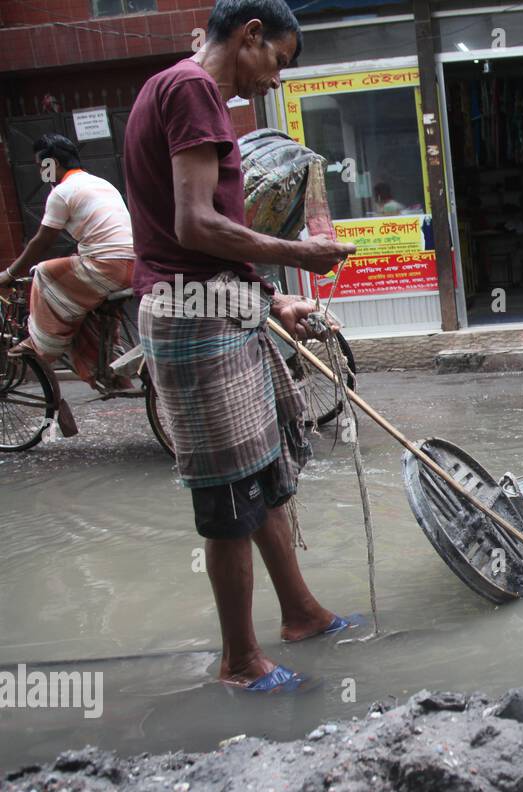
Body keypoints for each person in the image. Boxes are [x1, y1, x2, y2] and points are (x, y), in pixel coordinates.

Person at [123, 0, 356, 691]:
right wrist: (300, 255)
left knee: (266, 481)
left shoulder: (186, 95)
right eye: (277, 61)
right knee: (229, 499)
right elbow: (193, 226)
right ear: (249, 36)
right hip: (192, 322)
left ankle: (301, 613)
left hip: (219, 309)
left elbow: (204, 235)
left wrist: (272, 295)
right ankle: (239, 662)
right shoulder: (191, 89)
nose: (276, 81)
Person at [1, 134, 135, 385]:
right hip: (132, 266)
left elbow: (42, 241)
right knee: (82, 310)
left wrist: (9, 274)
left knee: (42, 272)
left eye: (42, 166)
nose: (41, 172)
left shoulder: (62, 192)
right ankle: (106, 371)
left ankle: (41, 345)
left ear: (53, 164)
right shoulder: (99, 183)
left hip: (107, 266)